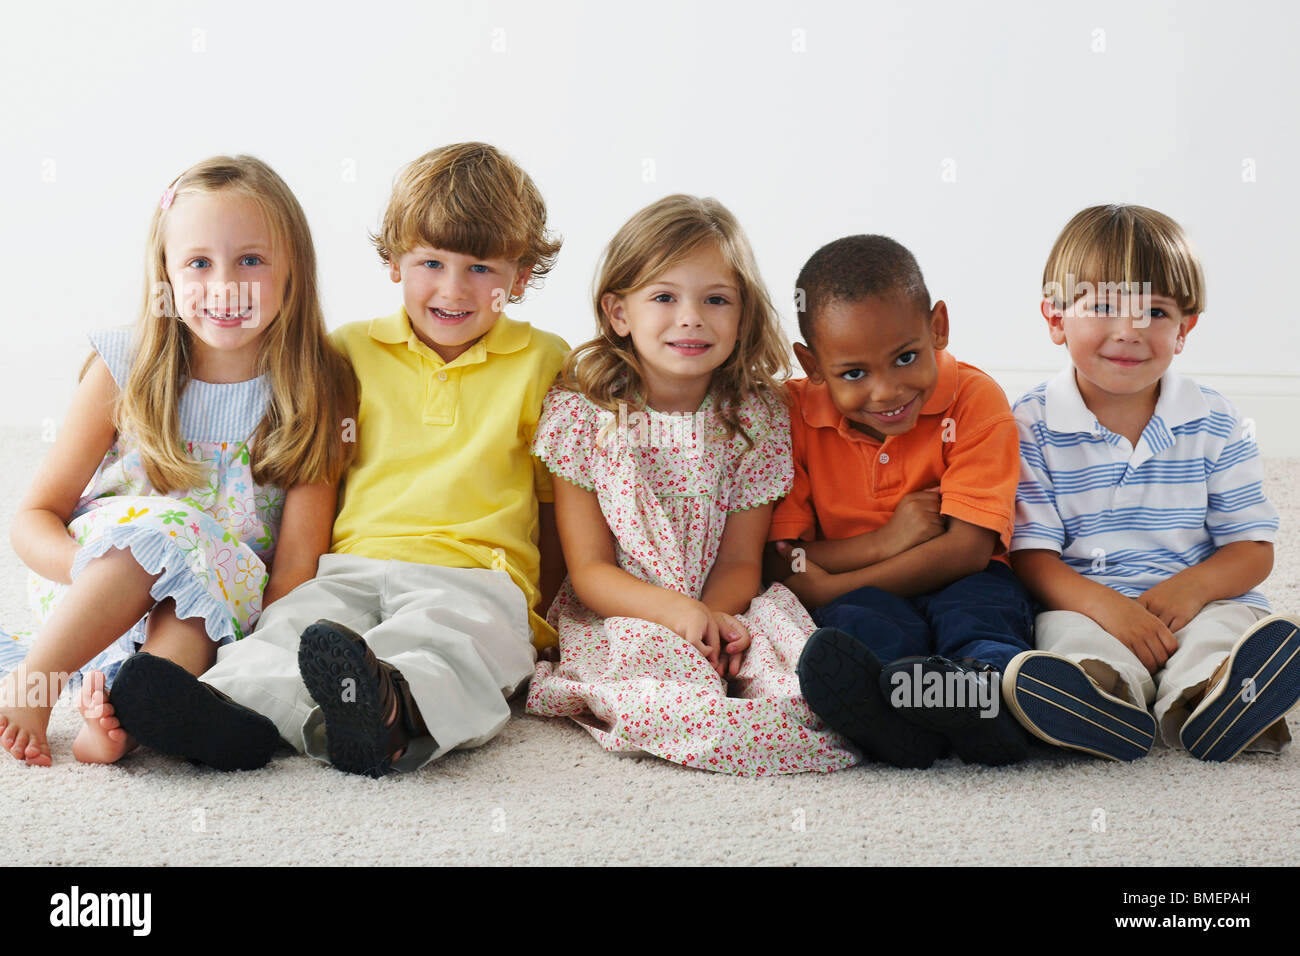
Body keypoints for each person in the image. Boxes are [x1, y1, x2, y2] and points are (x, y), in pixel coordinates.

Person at [109, 142, 570, 778]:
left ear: (520, 277)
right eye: (431, 262)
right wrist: (293, 588)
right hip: (350, 565)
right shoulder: (348, 351)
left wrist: (541, 610)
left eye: (482, 269)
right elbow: (317, 470)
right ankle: (231, 720)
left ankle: (388, 716)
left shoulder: (547, 361)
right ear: (394, 263)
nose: (454, 289)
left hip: (475, 576)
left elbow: (558, 502)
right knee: (289, 634)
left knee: (446, 645)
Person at [0, 155, 356, 767]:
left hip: (213, 608)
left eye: (251, 259)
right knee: (162, 537)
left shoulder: (315, 386)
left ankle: (121, 722)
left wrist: (253, 658)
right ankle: (36, 683)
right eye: (198, 263)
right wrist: (93, 571)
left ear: (293, 265)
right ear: (163, 271)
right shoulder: (128, 365)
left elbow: (294, 569)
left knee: (191, 616)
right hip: (93, 597)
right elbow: (34, 516)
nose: (224, 286)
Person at [525, 194, 858, 775]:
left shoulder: (753, 418)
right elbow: (592, 572)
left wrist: (712, 617)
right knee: (661, 688)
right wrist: (678, 617)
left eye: (716, 300)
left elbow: (737, 562)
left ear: (743, 315)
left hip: (724, 606)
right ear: (618, 313)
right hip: (624, 614)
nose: (691, 317)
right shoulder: (583, 416)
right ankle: (720, 722)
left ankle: (860, 712)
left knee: (790, 670)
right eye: (664, 297)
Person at [1003, 203, 1300, 762]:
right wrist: (1109, 608)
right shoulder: (1029, 424)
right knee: (1064, 636)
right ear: (1055, 318)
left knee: (1226, 631)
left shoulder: (1213, 418)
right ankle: (1099, 702)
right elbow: (1031, 558)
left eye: (1156, 312)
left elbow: (1253, 549)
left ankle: (1214, 699)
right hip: (1089, 603)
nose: (1130, 331)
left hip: (1195, 601)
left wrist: (1194, 588)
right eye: (1104, 306)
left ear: (1184, 330)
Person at [767, 234, 1033, 769]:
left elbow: (966, 551)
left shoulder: (976, 400)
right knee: (861, 627)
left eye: (906, 357)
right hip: (863, 596)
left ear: (938, 327)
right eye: (854, 373)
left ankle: (993, 709)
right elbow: (785, 557)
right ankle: (903, 727)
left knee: (979, 619)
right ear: (813, 364)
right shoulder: (790, 412)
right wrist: (886, 541)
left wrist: (831, 576)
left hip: (965, 578)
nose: (886, 391)